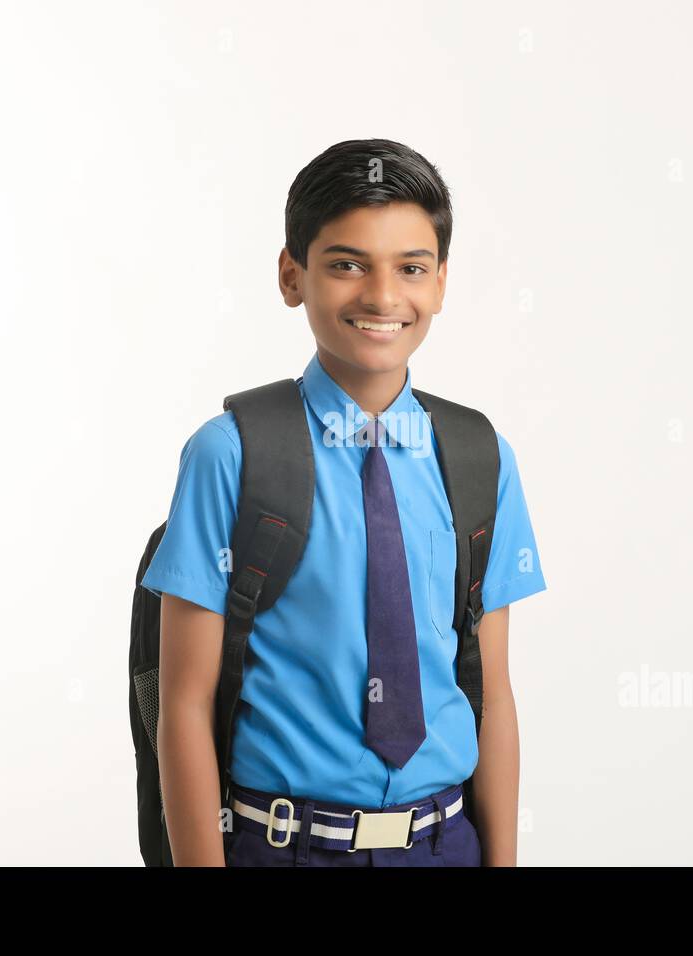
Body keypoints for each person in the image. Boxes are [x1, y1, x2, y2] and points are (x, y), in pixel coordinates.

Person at [142, 139, 546, 866]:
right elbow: (185, 707)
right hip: (284, 846)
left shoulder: (479, 456)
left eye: (411, 269)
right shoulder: (232, 454)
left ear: (442, 284)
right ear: (292, 275)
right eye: (346, 264)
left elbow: (494, 693)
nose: (382, 296)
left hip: (442, 843)